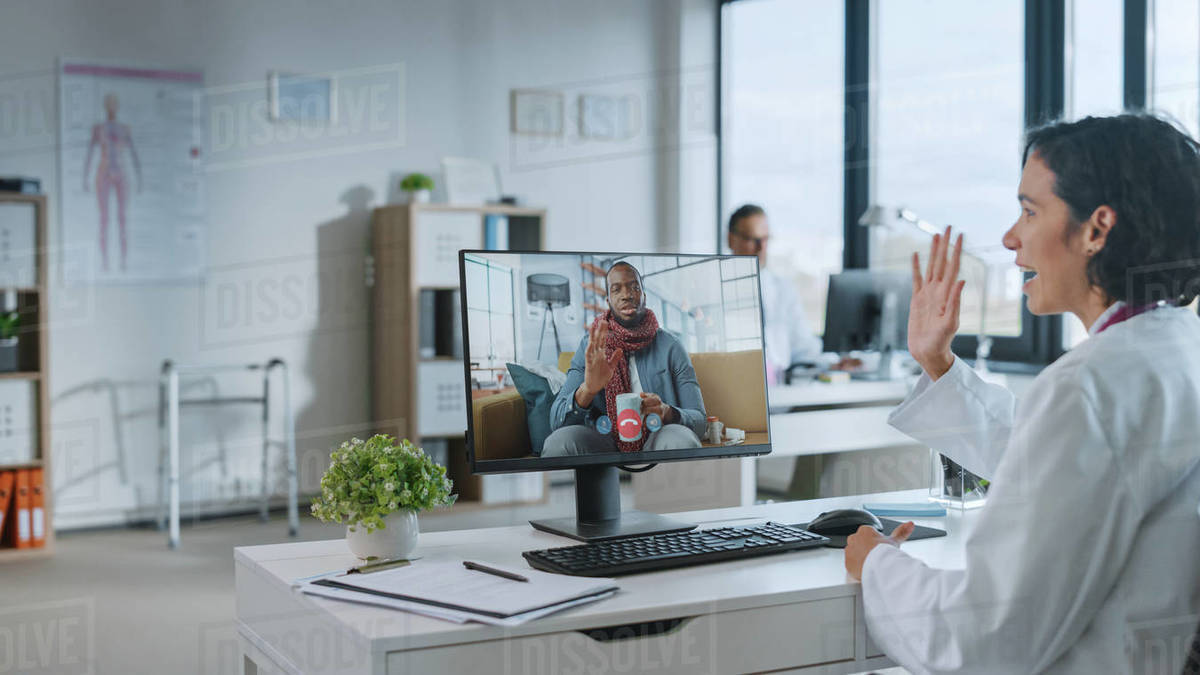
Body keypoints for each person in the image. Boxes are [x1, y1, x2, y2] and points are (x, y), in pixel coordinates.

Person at [843, 114, 1200, 672]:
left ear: (1096, 230)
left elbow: (982, 638)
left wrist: (878, 566)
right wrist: (938, 362)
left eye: (1030, 212)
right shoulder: (1176, 346)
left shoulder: (1091, 383)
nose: (1010, 237)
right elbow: (1058, 464)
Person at [543, 261, 706, 456]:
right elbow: (556, 421)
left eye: (634, 287)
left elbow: (699, 420)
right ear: (608, 301)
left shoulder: (671, 346)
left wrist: (667, 412)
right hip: (604, 441)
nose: (626, 295)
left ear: (644, 296)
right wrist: (588, 390)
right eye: (616, 289)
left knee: (682, 440)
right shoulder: (591, 346)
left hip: (658, 437)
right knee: (559, 443)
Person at [727, 204, 824, 381]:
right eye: (752, 239)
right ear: (731, 240)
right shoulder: (719, 290)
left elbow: (804, 347)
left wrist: (830, 363)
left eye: (765, 239)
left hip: (781, 390)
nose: (761, 248)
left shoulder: (784, 289)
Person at [82, 93, 141, 273]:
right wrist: (85, 177)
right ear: (105, 105)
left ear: (117, 105)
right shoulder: (98, 128)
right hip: (104, 172)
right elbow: (90, 153)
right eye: (108, 103)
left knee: (122, 219)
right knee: (104, 219)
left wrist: (139, 177)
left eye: (114, 103)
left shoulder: (125, 129)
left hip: (122, 172)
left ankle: (123, 261)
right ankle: (105, 262)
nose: (111, 106)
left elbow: (133, 154)